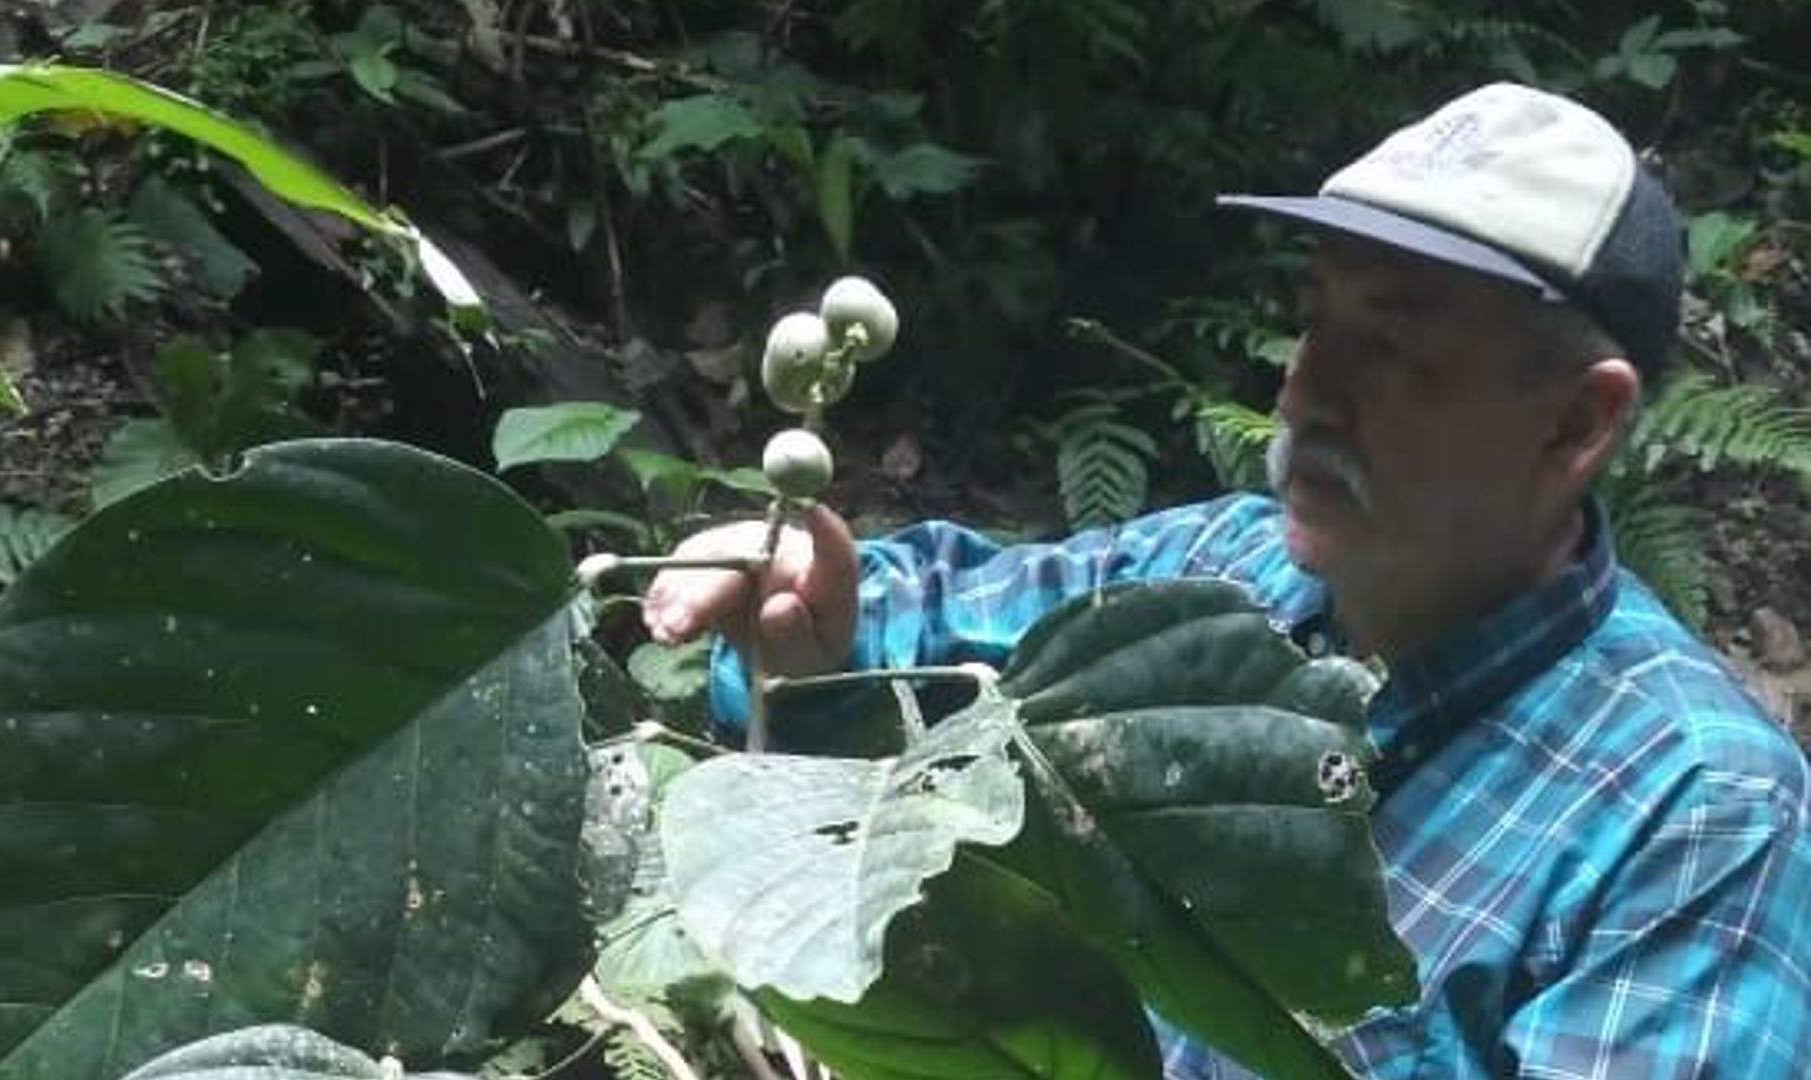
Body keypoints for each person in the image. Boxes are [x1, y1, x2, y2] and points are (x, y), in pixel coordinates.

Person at [641, 83, 1809, 1079]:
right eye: (1315, 322)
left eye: (1391, 346)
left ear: (1574, 422)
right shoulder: (1208, 576)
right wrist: (809, 629)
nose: (1305, 395)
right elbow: (905, 630)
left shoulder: (1699, 822)